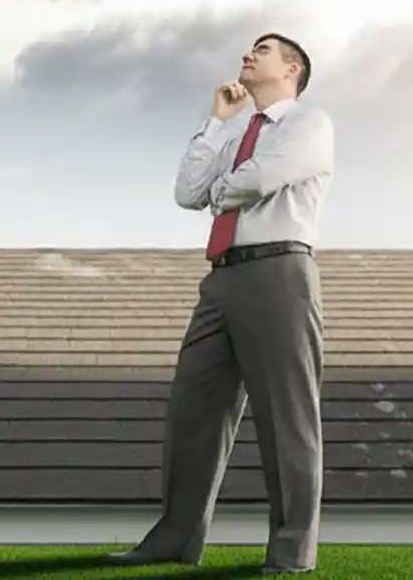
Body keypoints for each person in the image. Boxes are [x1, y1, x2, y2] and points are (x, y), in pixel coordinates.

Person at [108, 32, 333, 575]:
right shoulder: (236, 135)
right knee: (194, 409)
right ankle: (175, 538)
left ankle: (290, 551)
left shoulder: (309, 123)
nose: (246, 57)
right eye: (247, 51)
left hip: (279, 272)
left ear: (292, 68)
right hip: (222, 278)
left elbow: (261, 180)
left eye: (261, 51)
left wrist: (220, 189)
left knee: (287, 418)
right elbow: (188, 191)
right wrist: (215, 123)